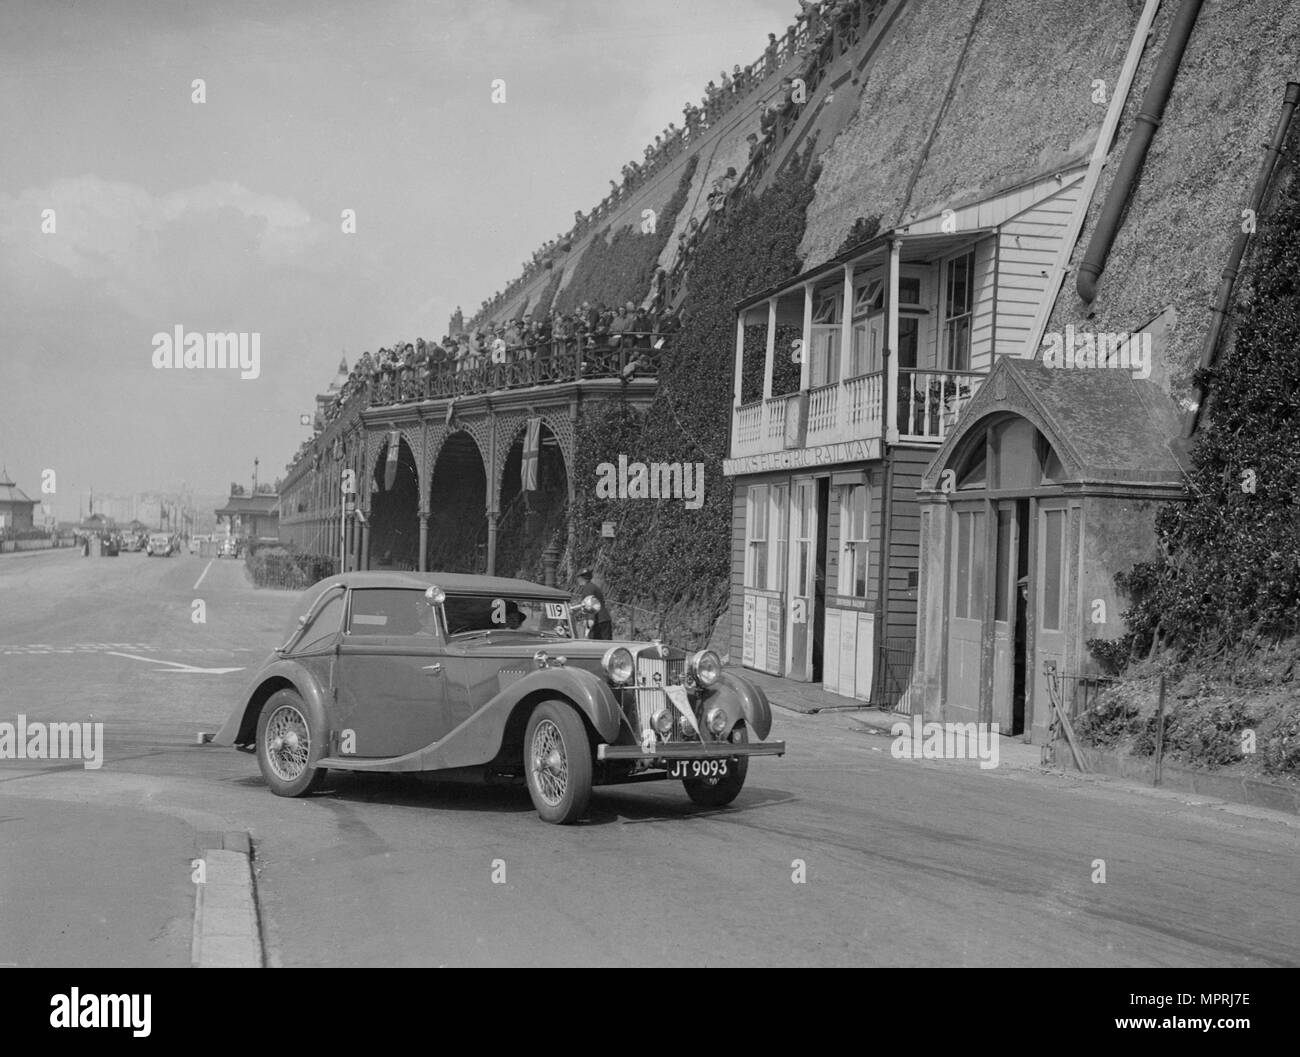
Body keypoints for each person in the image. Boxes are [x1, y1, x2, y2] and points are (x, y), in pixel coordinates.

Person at [575, 568, 613, 640]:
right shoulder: (591, 587)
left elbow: (590, 604)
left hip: (598, 621)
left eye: (579, 577)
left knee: (596, 646)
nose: (578, 580)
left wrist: (590, 619)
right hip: (602, 620)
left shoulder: (588, 588)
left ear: (581, 578)